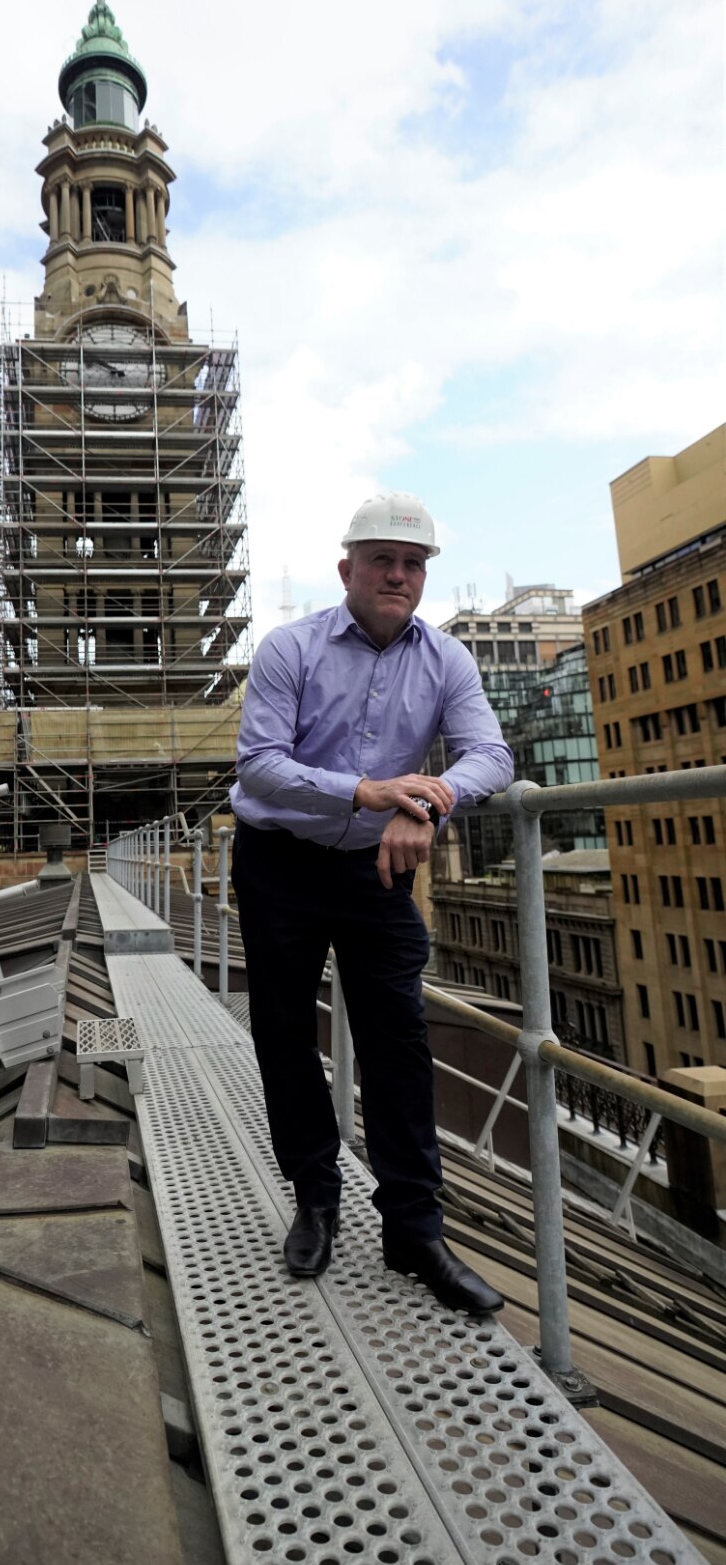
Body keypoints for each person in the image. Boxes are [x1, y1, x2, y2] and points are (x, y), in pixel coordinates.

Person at [230, 491, 513, 1316]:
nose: (399, 575)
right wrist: (365, 790)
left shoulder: (448, 660)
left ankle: (414, 1230)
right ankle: (316, 1198)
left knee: (399, 1040)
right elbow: (259, 766)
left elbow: (488, 754)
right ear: (346, 568)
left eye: (414, 563)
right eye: (383, 560)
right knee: (283, 1031)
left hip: (376, 873)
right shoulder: (290, 649)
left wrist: (422, 804)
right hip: (279, 863)